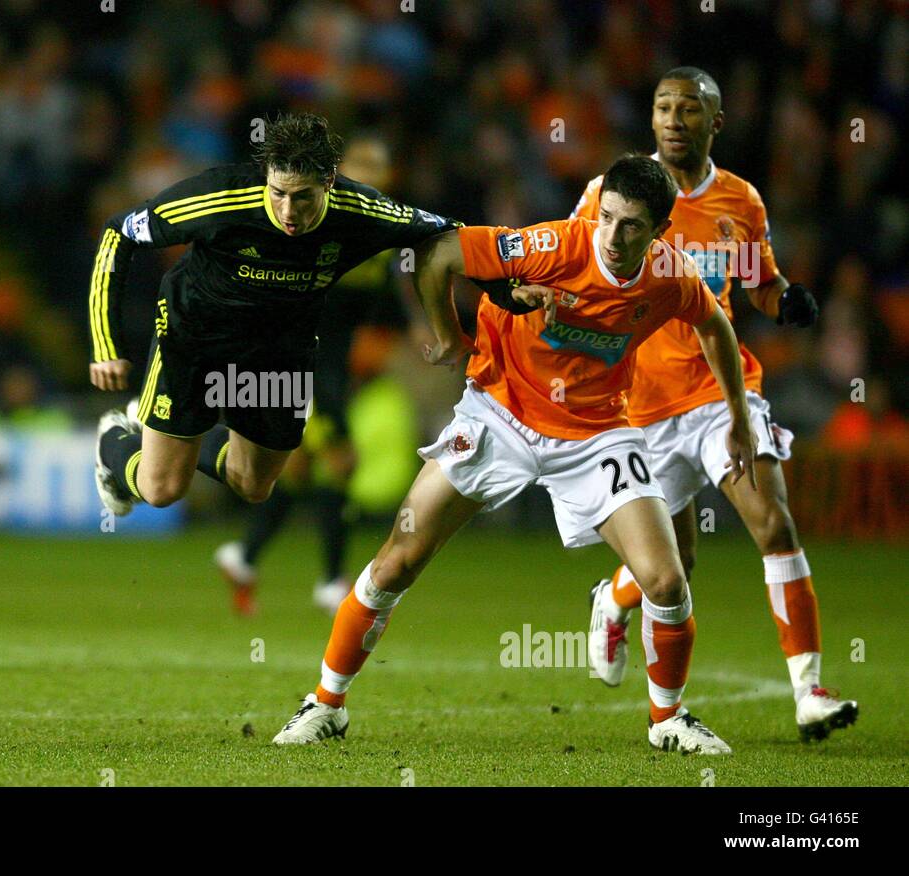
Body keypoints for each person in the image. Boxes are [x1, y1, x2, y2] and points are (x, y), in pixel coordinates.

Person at [275, 154, 754, 755]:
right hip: (500, 416)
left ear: (658, 230)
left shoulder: (670, 276)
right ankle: (326, 704)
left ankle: (667, 720)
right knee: (397, 560)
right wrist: (450, 336)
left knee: (665, 578)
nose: (611, 234)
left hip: (597, 433)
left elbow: (716, 327)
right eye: (606, 216)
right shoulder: (554, 244)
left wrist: (737, 418)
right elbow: (441, 253)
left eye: (631, 225)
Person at [565, 68, 856, 742]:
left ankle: (809, 691)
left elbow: (757, 280)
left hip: (721, 392)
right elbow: (583, 268)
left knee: (774, 524)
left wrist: (782, 298)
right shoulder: (616, 192)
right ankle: (611, 598)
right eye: (663, 106)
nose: (673, 118)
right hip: (641, 402)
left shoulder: (739, 201)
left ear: (714, 123)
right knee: (677, 566)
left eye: (689, 109)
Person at [88, 114, 471, 521]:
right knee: (162, 489)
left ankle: (164, 433)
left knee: (253, 485)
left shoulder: (363, 211)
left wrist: (514, 285)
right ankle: (115, 438)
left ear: (328, 183)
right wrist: (106, 346)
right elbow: (120, 234)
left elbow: (454, 236)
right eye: (278, 193)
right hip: (195, 338)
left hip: (279, 349)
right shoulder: (220, 197)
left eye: (302, 196)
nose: (288, 210)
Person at [212, 133, 415, 616]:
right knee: (339, 462)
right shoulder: (320, 229)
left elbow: (379, 306)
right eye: (361, 168)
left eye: (378, 168)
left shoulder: (379, 236)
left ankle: (245, 556)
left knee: (298, 472)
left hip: (326, 366)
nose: (372, 177)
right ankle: (328, 580)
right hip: (294, 362)